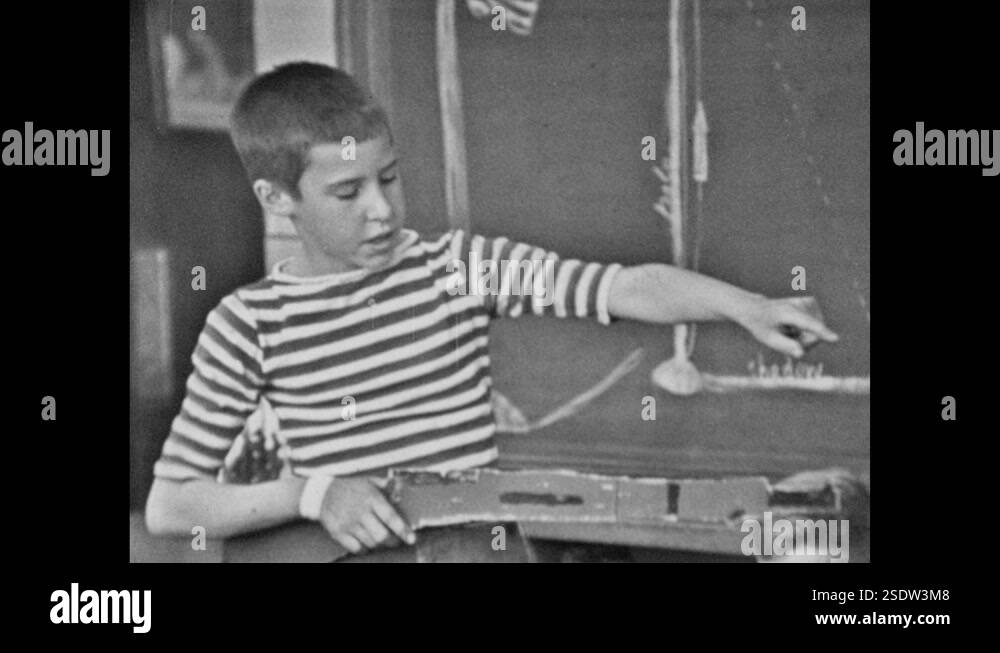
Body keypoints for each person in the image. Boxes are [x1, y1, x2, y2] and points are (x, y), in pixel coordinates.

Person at [145, 62, 838, 556]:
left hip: (478, 546)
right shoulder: (248, 324)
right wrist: (316, 492)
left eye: (390, 178)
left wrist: (746, 306)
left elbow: (624, 285)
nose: (383, 209)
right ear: (277, 199)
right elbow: (172, 506)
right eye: (349, 192)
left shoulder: (458, 268)